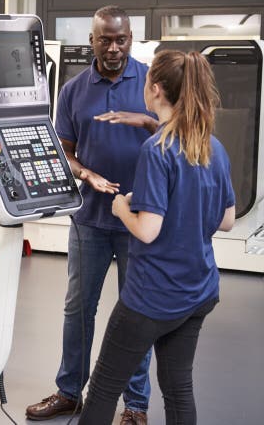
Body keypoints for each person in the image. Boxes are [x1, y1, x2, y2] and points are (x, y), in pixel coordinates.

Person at [78, 50, 236, 425]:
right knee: (178, 386)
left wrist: (122, 210)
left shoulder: (157, 149)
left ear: (156, 90)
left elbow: (148, 231)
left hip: (152, 298)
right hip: (198, 292)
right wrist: (181, 213)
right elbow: (227, 220)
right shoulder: (213, 146)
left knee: (103, 388)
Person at [26, 6, 158, 425]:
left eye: (121, 39)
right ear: (92, 40)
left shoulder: (153, 84)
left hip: (142, 219)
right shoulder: (73, 90)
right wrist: (87, 173)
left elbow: (180, 134)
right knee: (78, 309)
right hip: (90, 219)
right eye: (106, 39)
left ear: (131, 38)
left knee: (137, 311)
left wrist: (146, 121)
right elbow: (64, 152)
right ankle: (69, 392)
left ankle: (135, 405)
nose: (114, 47)